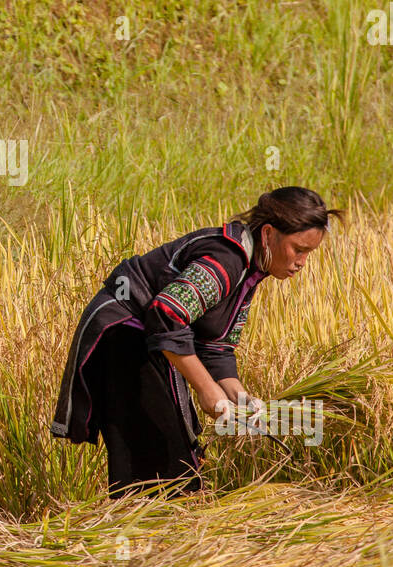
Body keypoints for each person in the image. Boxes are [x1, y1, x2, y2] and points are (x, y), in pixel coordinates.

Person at [51, 187, 343, 497]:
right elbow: (167, 315)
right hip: (122, 337)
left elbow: (217, 347)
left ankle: (150, 534)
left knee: (172, 463)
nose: (302, 262)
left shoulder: (250, 272)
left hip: (146, 342)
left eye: (309, 253)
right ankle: (145, 535)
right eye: (298, 249)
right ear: (269, 234)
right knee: (165, 468)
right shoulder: (227, 260)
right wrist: (207, 390)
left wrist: (239, 396)